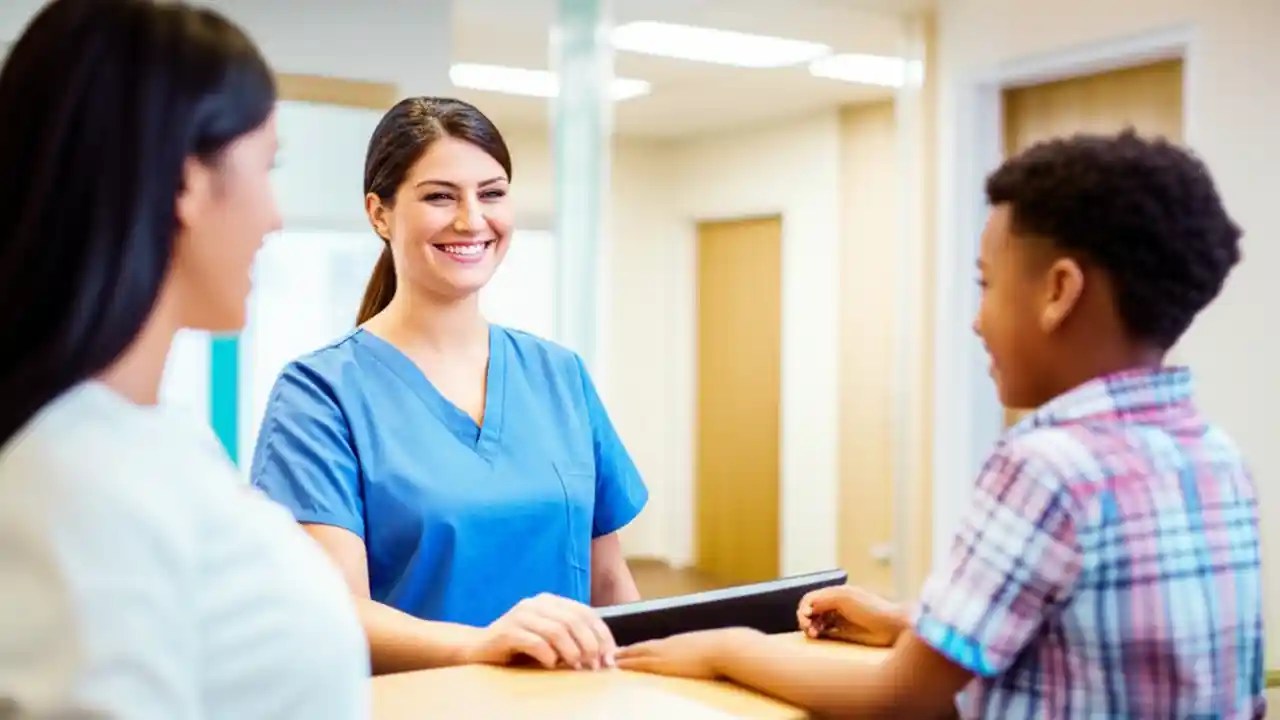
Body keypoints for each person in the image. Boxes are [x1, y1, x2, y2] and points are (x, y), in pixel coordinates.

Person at [615, 130, 1265, 719]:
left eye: (986, 284)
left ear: (1059, 291)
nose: (977, 320)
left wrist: (732, 648)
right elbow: (1104, 646)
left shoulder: (1045, 465)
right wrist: (911, 625)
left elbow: (897, 698)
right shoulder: (1214, 456)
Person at [0, 0, 370, 717]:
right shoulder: (71, 480)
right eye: (268, 165)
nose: (275, 215)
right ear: (185, 182)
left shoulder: (153, 439)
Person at [249, 96, 649, 675]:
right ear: (379, 213)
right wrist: (479, 646)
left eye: (492, 193)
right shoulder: (320, 394)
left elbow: (610, 583)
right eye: (440, 196)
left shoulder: (559, 375)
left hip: (571, 705)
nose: (471, 219)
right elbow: (333, 613)